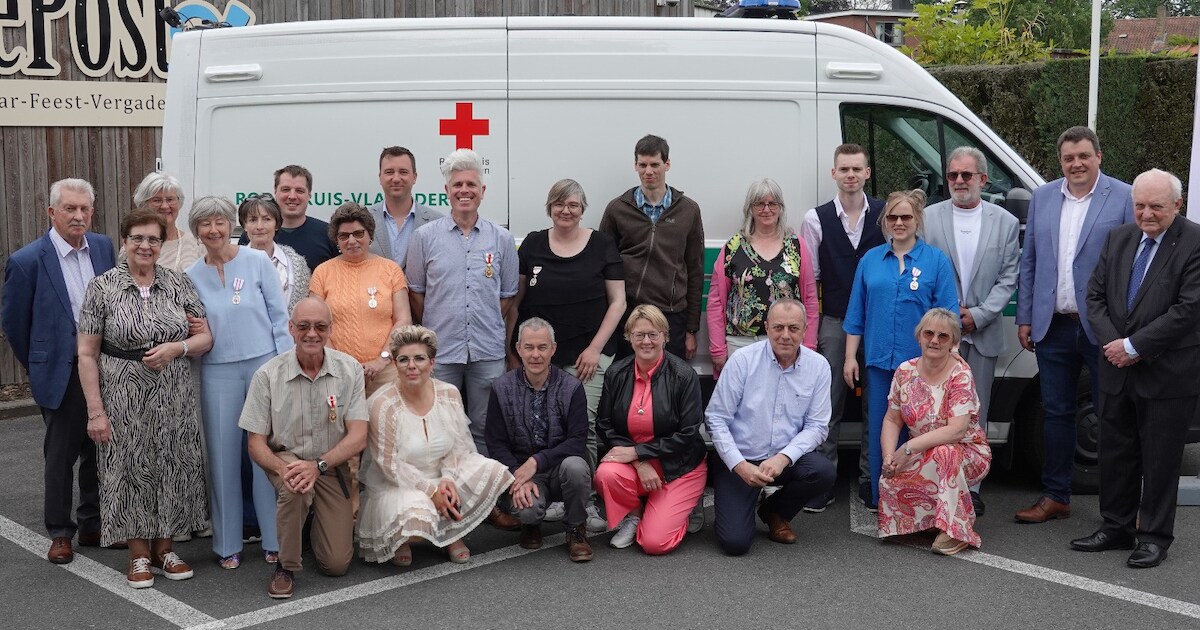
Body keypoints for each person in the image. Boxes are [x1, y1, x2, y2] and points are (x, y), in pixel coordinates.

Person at [76, 208, 214, 587]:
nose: (145, 245)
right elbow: (87, 353)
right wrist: (95, 412)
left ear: (161, 243)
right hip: (123, 393)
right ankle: (138, 554)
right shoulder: (102, 287)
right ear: (125, 241)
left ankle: (165, 549)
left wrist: (177, 348)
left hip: (174, 392)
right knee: (129, 468)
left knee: (172, 464)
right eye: (137, 237)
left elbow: (205, 338)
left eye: (153, 239)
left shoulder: (178, 283)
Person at [1072, 169, 1200, 569]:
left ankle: (1154, 537)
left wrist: (1134, 346)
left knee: (1161, 459)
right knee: (1115, 453)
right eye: (1139, 205)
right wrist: (1115, 345)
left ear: (1177, 205)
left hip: (1167, 372)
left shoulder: (1195, 242)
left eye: (1156, 207)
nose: (1146, 214)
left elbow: (1189, 309)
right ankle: (1116, 526)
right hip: (1117, 368)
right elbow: (1094, 296)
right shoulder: (1119, 237)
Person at [1014, 126, 1134, 524]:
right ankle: (1056, 496)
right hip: (1053, 326)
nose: (1076, 164)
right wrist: (1025, 316)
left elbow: (1135, 263)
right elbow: (1030, 261)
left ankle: (1121, 506)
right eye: (1069, 158)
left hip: (1104, 327)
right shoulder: (1043, 196)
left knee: (1112, 416)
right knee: (1057, 413)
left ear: (1099, 156)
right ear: (1060, 161)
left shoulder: (1124, 196)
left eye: (1084, 156)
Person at [2, 178, 116, 563]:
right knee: (61, 455)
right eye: (70, 208)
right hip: (62, 371)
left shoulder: (103, 247)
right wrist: (42, 364)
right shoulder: (27, 261)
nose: (78, 216)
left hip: (104, 366)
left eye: (85, 209)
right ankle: (60, 531)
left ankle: (92, 523)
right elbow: (15, 324)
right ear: (52, 212)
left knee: (99, 449)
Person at [187, 196, 293, 569]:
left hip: (264, 365)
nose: (213, 230)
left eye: (219, 222)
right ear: (196, 230)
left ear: (231, 225)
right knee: (222, 457)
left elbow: (279, 318)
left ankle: (274, 538)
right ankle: (226, 542)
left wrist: (284, 368)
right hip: (217, 370)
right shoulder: (190, 275)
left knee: (264, 454)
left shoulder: (257, 261)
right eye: (205, 224)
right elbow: (194, 326)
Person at [513, 178, 624, 532]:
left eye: (573, 204)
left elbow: (618, 302)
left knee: (582, 425)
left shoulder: (602, 245)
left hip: (587, 356)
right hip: (540, 355)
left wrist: (595, 349)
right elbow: (516, 302)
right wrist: (512, 350)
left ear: (582, 209)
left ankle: (585, 500)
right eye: (559, 204)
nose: (566, 210)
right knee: (542, 426)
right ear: (550, 207)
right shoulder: (532, 244)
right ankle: (554, 495)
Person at [240, 297, 368, 599]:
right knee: (296, 487)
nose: (312, 333)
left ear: (330, 329)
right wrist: (283, 469)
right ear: (291, 328)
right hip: (287, 458)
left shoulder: (350, 369)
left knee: (335, 564)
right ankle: (285, 566)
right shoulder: (267, 375)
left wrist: (318, 466)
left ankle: (309, 526)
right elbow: (255, 443)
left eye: (320, 326)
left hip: (328, 464)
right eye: (304, 326)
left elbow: (358, 437)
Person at [357, 325, 515, 567]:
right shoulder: (382, 404)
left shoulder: (449, 393)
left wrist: (448, 478)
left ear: (432, 363)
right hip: (400, 484)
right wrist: (431, 491)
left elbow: (459, 446)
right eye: (404, 359)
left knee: (491, 470)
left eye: (419, 358)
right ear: (395, 364)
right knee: (417, 524)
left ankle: (451, 534)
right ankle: (403, 537)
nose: (411, 365)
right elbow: (388, 465)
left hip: (441, 476)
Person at [843, 189, 958, 510]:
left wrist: (950, 359)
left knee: (921, 429)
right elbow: (856, 314)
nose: (899, 222)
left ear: (917, 220)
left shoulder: (936, 260)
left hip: (924, 366)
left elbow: (948, 315)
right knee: (881, 428)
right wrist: (850, 357)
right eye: (892, 217)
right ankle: (882, 496)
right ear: (884, 221)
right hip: (879, 362)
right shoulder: (870, 260)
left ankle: (918, 498)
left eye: (906, 216)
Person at [922, 146, 1019, 517]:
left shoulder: (1005, 222)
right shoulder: (928, 218)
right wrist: (946, 321)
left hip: (982, 332)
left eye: (967, 174)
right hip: (938, 336)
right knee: (935, 413)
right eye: (953, 175)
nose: (959, 181)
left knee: (975, 414)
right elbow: (921, 271)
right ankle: (935, 484)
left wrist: (978, 315)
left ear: (983, 179)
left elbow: (1008, 277)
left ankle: (970, 487)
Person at [406, 149, 519, 455]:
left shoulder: (501, 239)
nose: (464, 190)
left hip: (487, 350)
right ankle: (445, 484)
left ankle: (483, 483)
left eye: (471, 184)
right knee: (441, 427)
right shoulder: (424, 237)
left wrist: (484, 319)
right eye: (457, 185)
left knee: (485, 426)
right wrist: (438, 323)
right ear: (447, 190)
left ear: (482, 190)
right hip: (441, 351)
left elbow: (508, 295)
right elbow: (416, 292)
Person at [705, 299, 836, 556]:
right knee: (735, 543)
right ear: (766, 327)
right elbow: (716, 418)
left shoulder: (819, 366)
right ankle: (743, 501)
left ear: (805, 329)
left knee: (822, 471)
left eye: (793, 328)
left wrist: (783, 457)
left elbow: (817, 426)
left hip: (782, 461)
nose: (785, 335)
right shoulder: (742, 361)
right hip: (740, 460)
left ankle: (775, 511)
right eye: (778, 327)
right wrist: (740, 466)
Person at [800, 144, 886, 513]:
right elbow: (811, 279)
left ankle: (871, 478)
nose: (850, 175)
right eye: (844, 169)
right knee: (827, 404)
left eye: (857, 169)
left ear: (867, 173)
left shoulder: (885, 214)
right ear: (833, 173)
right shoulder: (816, 219)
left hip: (878, 322)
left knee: (876, 404)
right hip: (834, 322)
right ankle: (823, 480)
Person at [877, 308, 991, 556]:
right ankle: (932, 521)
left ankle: (955, 531)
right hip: (923, 449)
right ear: (919, 336)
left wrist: (908, 448)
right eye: (929, 333)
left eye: (943, 336)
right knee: (890, 477)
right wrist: (889, 457)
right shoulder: (904, 371)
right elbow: (892, 419)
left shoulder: (960, 374)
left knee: (944, 453)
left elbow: (956, 431)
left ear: (953, 343)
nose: (935, 340)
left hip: (967, 451)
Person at [594, 305, 707, 555]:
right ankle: (635, 515)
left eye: (653, 334)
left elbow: (689, 434)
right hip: (638, 463)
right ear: (629, 337)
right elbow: (604, 424)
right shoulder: (616, 373)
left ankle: (686, 505)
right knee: (606, 474)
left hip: (679, 465)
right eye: (639, 335)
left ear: (665, 336)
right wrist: (639, 461)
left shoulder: (683, 375)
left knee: (654, 543)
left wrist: (637, 452)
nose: (646, 341)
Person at [485, 318, 594, 562]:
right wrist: (517, 474)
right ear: (518, 349)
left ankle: (576, 528)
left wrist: (537, 461)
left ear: (553, 349)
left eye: (542, 347)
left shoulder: (572, 387)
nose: (536, 355)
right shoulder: (501, 388)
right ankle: (531, 525)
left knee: (577, 467)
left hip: (559, 469)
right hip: (521, 472)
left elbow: (577, 440)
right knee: (529, 511)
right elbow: (495, 443)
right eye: (529, 347)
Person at [599, 134, 704, 360]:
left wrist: (691, 329)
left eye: (655, 164)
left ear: (667, 164)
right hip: (628, 314)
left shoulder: (688, 211)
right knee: (627, 377)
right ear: (635, 165)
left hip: (671, 316)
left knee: (668, 378)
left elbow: (695, 270)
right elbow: (602, 266)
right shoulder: (617, 209)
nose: (649, 171)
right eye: (643, 165)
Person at [707, 177, 818, 375]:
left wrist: (809, 345)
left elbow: (809, 298)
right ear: (750, 208)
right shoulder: (733, 246)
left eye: (772, 203)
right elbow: (715, 301)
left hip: (786, 342)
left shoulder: (796, 245)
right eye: (759, 204)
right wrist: (717, 348)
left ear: (780, 207)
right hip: (740, 344)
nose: (766, 209)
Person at [309, 202, 412, 396]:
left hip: (386, 373)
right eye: (344, 236)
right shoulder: (322, 272)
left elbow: (403, 320)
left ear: (370, 235)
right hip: (337, 374)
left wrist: (381, 360)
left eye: (358, 233)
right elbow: (315, 324)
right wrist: (339, 364)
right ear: (336, 240)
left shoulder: (391, 270)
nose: (351, 240)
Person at [238, 165, 337, 271]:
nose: (292, 196)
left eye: (299, 191)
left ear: (309, 195)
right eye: (285, 189)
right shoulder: (255, 234)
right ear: (275, 192)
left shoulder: (328, 234)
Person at [368, 146, 443, 271]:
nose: (396, 179)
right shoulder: (363, 221)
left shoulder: (438, 223)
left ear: (414, 177)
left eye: (403, 172)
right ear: (380, 177)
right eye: (389, 172)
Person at [239, 193, 311, 315]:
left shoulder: (297, 264)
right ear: (245, 226)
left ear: (277, 225)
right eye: (253, 220)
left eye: (266, 219)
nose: (259, 226)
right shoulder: (232, 262)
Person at [131, 172, 201, 271]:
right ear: (144, 205)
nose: (165, 206)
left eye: (170, 199)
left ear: (179, 203)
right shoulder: (133, 246)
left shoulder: (195, 244)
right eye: (157, 200)